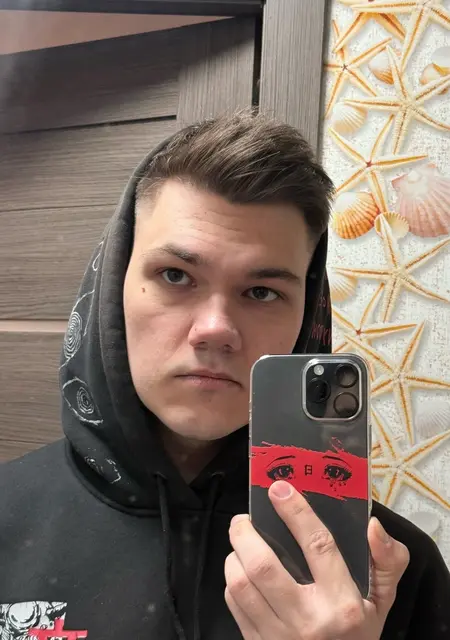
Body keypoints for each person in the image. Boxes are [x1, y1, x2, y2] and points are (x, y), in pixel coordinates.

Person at [0, 111, 449, 640]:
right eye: (175, 275)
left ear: (309, 314)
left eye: (261, 292)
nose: (215, 330)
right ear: (112, 288)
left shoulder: (391, 571)